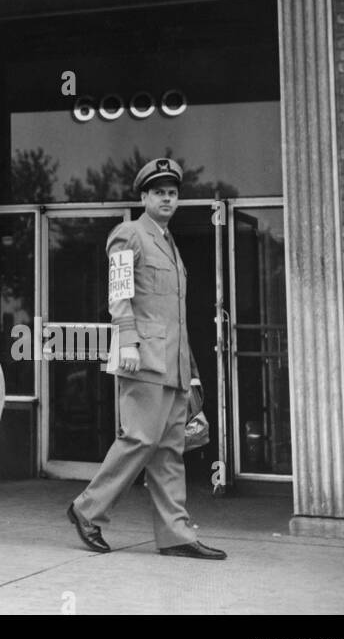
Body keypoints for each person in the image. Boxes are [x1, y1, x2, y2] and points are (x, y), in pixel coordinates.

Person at [66, 158, 227, 560]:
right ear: (144, 197)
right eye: (159, 192)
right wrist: (129, 344)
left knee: (169, 450)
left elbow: (176, 315)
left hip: (173, 366)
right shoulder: (128, 234)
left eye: (172, 193)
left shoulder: (170, 243)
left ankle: (175, 534)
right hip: (142, 358)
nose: (167, 198)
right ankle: (87, 509)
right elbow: (119, 295)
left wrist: (189, 372)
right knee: (139, 439)